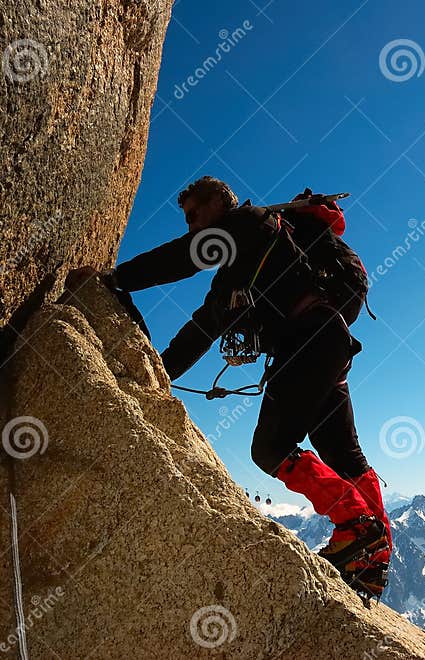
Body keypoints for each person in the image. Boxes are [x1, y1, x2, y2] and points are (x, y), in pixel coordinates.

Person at [67, 176, 391, 601]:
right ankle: (374, 557)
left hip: (308, 340)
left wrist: (118, 278)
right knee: (341, 451)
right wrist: (158, 374)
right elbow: (201, 329)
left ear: (218, 204)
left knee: (270, 449)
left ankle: (355, 527)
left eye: (193, 214)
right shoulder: (239, 272)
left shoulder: (247, 224)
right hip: (329, 339)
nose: (190, 226)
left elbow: (181, 259)